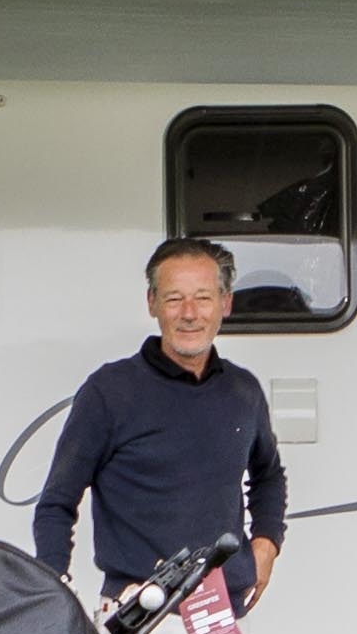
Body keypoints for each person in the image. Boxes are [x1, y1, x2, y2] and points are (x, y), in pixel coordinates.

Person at [27, 236, 289, 603]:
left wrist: (266, 546)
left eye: (203, 298)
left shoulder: (243, 391)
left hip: (226, 613)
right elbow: (56, 503)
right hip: (138, 615)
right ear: (152, 303)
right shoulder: (109, 391)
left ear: (225, 303)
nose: (189, 313)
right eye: (174, 298)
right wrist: (54, 589)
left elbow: (269, 476)